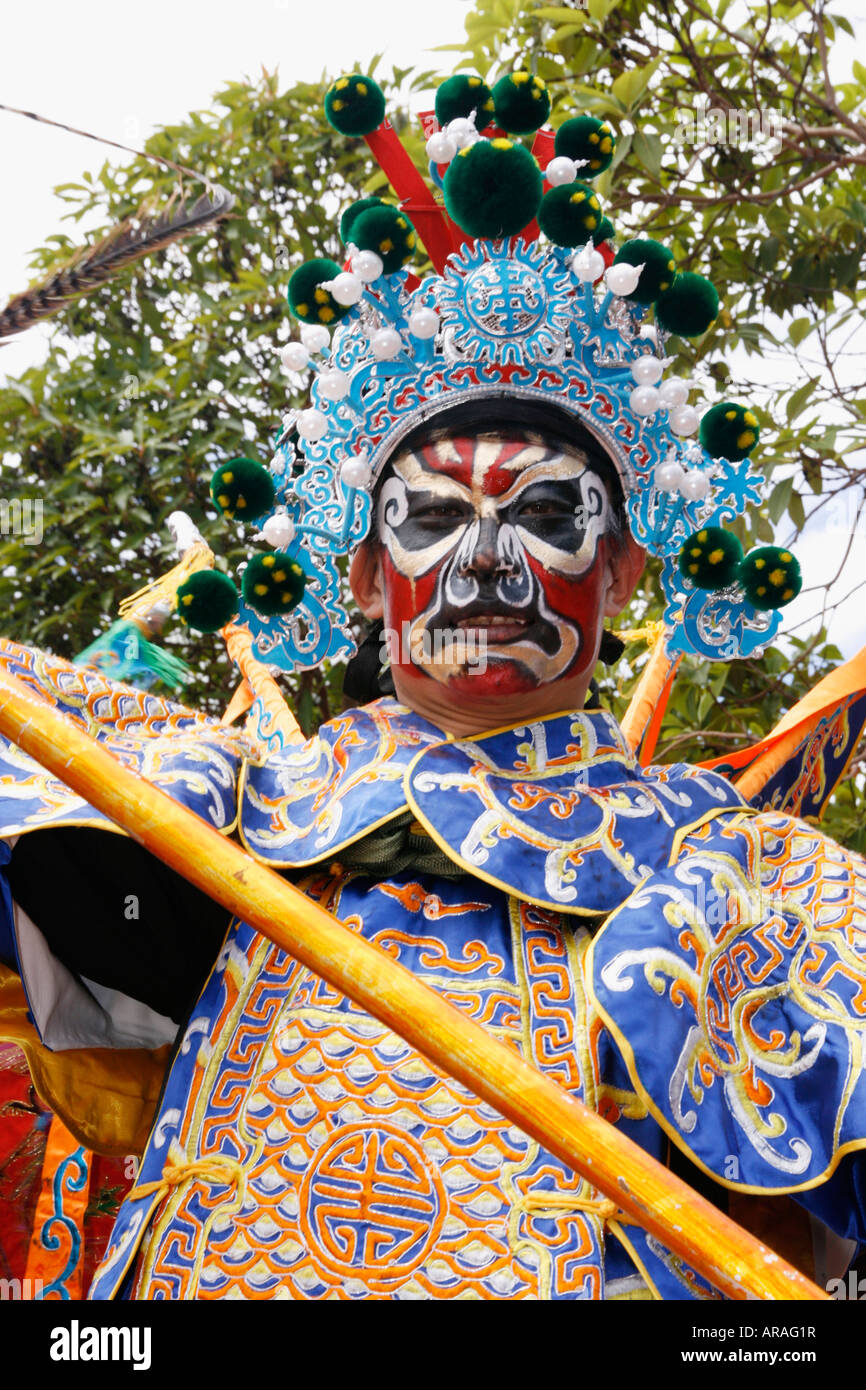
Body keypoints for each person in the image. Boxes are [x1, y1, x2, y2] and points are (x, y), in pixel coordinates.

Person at [2, 67, 866, 1301]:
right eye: (431, 518)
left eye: (546, 512)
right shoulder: (215, 819)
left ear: (621, 572)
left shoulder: (741, 875)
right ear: (360, 574)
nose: (483, 564)